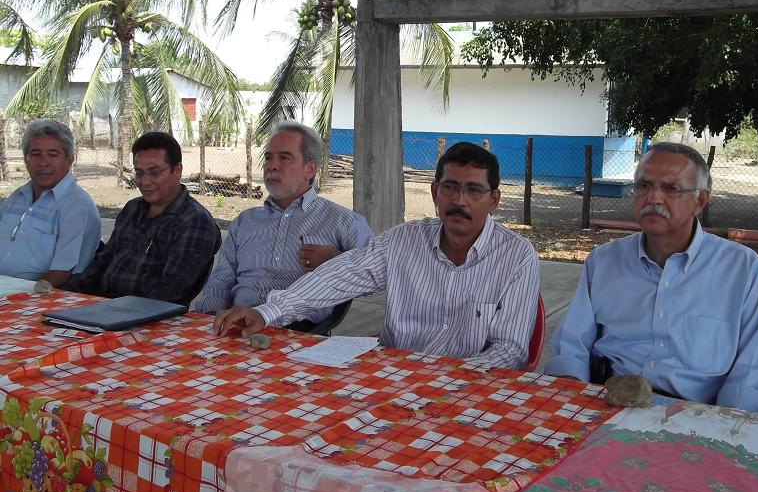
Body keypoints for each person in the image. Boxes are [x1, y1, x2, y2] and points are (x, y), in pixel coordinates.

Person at [213, 141, 540, 369]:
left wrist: (449, 379)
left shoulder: (516, 257)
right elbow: (338, 275)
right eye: (450, 187)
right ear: (434, 193)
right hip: (391, 379)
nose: (460, 200)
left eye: (474, 190)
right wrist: (268, 312)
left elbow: (509, 350)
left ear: (494, 199)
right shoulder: (402, 241)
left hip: (467, 389)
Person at [546, 142, 758, 413]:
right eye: (644, 186)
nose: (653, 199)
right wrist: (570, 400)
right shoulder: (604, 261)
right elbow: (571, 344)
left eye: (671, 188)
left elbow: (752, 373)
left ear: (699, 201)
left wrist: (724, 427)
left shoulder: (742, 269)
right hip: (607, 402)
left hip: (697, 413)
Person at [192, 121, 373, 323]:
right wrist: (206, 322)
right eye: (268, 158)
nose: (272, 165)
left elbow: (377, 285)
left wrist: (338, 262)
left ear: (310, 169)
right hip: (235, 328)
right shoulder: (245, 222)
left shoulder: (345, 223)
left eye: (285, 158)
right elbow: (220, 282)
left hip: (299, 335)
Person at [64, 132, 221, 305]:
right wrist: (65, 295)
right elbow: (103, 262)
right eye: (139, 173)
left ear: (177, 170)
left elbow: (172, 289)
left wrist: (114, 308)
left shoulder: (194, 222)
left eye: (154, 173)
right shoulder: (133, 209)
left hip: (148, 320)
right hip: (101, 305)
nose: (144, 182)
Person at [0, 119, 100, 286]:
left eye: (53, 155)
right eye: (36, 154)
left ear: (70, 160)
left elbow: (60, 274)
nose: (43, 162)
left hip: (34, 297)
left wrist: (18, 298)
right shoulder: (17, 198)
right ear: (26, 159)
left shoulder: (76, 206)